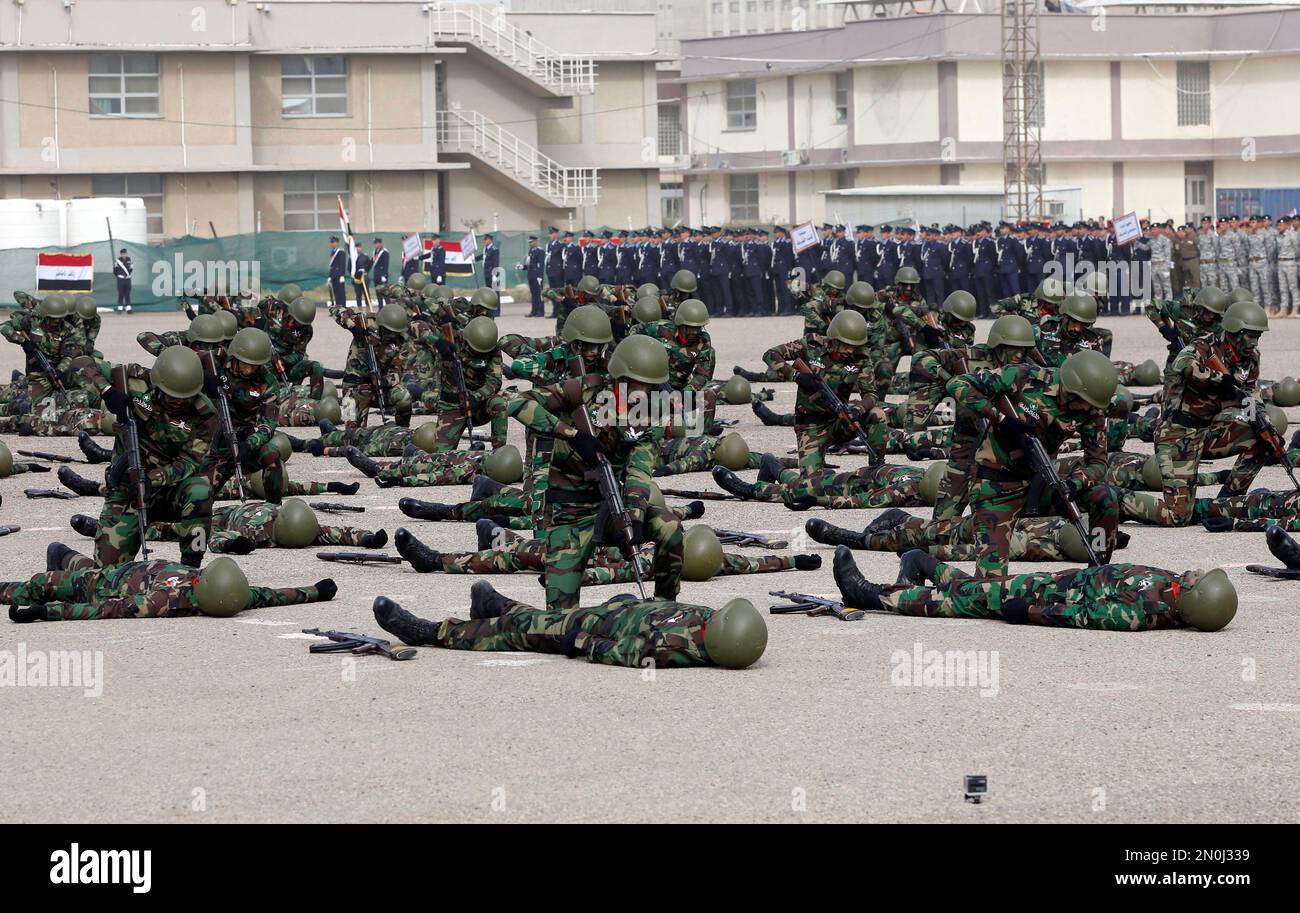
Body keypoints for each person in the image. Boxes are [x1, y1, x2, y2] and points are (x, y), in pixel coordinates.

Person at [829, 547, 1238, 632]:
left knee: (962, 604)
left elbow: (1080, 617)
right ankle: (922, 564)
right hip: (1059, 581)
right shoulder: (1169, 586)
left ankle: (873, 595)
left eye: (1197, 579)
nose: (1192, 572)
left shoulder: (1140, 614)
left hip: (1045, 599)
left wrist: (1024, 610)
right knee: (981, 587)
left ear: (1194, 599)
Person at [371, 588, 768, 669]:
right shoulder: (714, 624)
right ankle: (500, 605)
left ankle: (434, 632)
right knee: (529, 620)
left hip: (595, 628)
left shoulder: (664, 648)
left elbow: (617, 653)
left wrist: (579, 642)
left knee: (521, 631)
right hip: (618, 610)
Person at [82, 345, 219, 568]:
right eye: (170, 395)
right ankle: (65, 557)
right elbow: (81, 363)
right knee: (106, 573)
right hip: (127, 488)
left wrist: (151, 479)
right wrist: (107, 391)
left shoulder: (205, 414)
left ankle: (191, 566)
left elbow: (189, 462)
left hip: (169, 488)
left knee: (201, 490)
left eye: (184, 397)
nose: (176, 402)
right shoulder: (135, 380)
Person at [3, 549, 336, 623]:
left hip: (99, 585)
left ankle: (62, 556)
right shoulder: (164, 601)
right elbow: (273, 596)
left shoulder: (166, 602)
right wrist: (315, 591)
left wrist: (44, 612)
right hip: (105, 578)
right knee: (39, 583)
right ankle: (61, 555)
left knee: (42, 586)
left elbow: (102, 608)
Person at [327, 236, 348, 308]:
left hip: (339, 276)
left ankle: (343, 307)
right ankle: (338, 308)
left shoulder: (340, 251)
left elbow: (342, 264)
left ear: (337, 243)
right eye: (331, 242)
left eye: (333, 242)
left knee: (341, 293)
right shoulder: (333, 251)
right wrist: (330, 276)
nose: (332, 244)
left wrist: (342, 275)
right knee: (336, 293)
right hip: (333, 275)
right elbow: (332, 265)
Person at [370, 238, 390, 306]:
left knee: (385, 293)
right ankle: (380, 308)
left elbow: (385, 264)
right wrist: (365, 269)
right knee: (378, 293)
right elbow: (371, 262)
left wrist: (384, 275)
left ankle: (389, 307)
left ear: (380, 243)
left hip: (382, 276)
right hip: (376, 276)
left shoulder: (384, 252)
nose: (375, 245)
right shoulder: (375, 252)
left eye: (377, 243)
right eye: (374, 243)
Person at [113, 248, 133, 314]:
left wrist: (127, 275)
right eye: (123, 254)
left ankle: (129, 309)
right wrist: (120, 276)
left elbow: (131, 268)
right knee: (121, 294)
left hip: (128, 279)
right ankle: (120, 309)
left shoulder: (130, 260)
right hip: (120, 279)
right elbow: (115, 270)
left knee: (127, 294)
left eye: (125, 253)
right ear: (121, 254)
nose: (124, 255)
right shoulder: (117, 261)